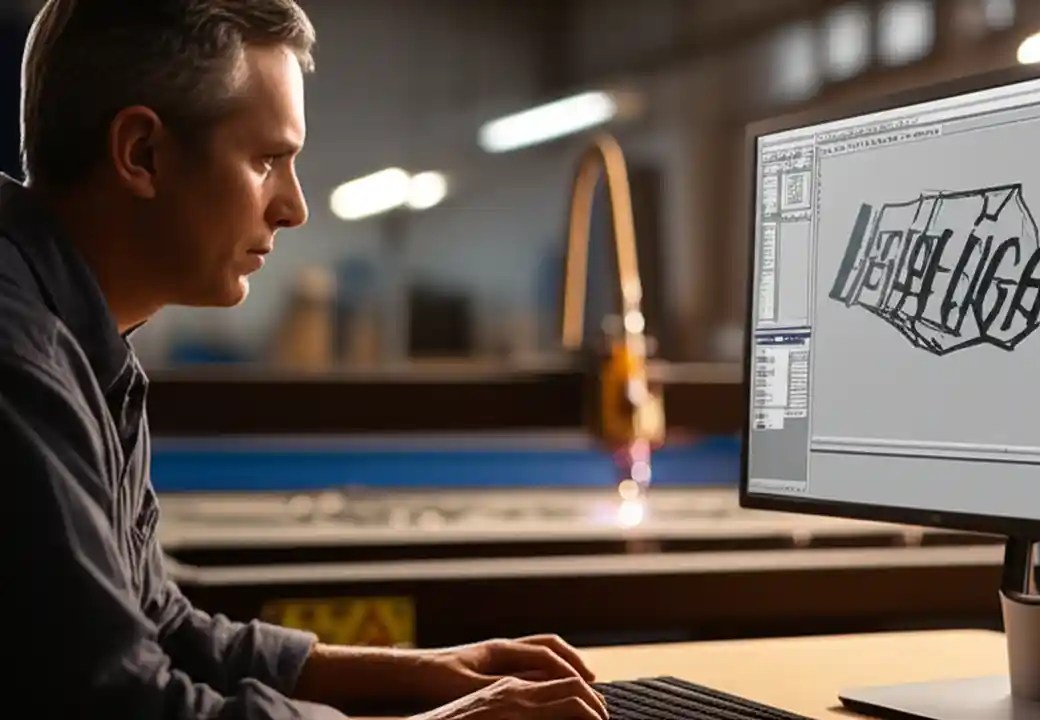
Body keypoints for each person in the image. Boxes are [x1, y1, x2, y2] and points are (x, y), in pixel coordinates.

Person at [0, 2, 608, 719]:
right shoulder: (21, 357)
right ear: (142, 153)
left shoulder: (82, 340)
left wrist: (426, 675)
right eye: (266, 161)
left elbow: (157, 626)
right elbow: (123, 705)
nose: (293, 207)